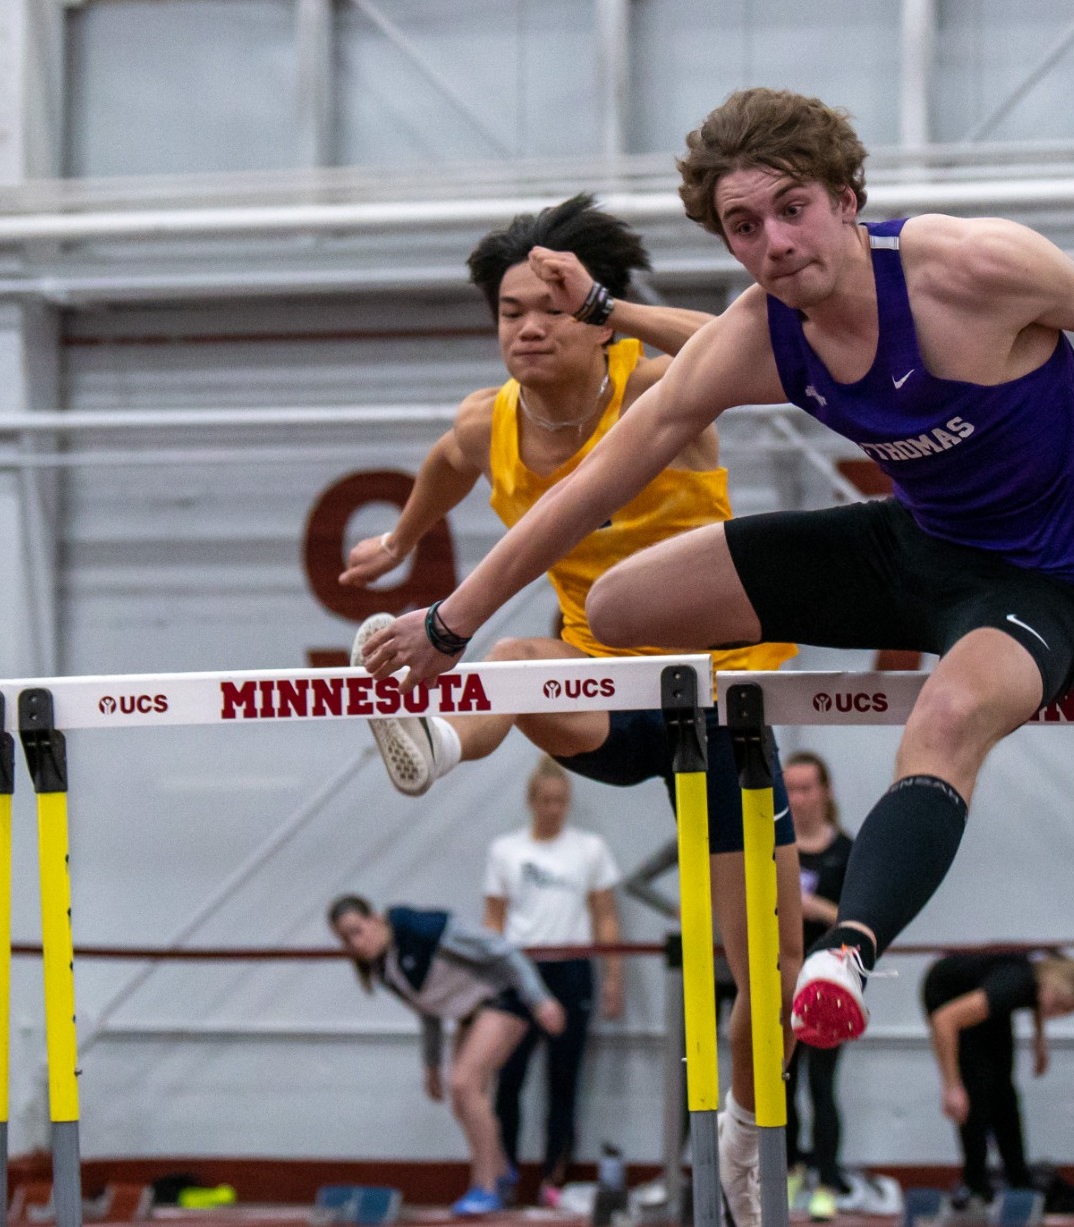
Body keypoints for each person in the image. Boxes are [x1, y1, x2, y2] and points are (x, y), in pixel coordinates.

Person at [356, 91, 1074, 1225]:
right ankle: (661, 749)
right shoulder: (757, 331)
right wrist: (446, 623)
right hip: (912, 545)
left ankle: (844, 957)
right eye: (743, 228)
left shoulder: (968, 269)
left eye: (792, 211)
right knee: (632, 598)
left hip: (1042, 576)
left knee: (941, 727)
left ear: (847, 199)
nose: (774, 246)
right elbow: (599, 481)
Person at [339, 194, 803, 1227]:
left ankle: (738, 1122)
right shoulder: (485, 421)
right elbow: (446, 468)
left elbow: (770, 335)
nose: (527, 330)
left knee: (762, 986)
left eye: (549, 310)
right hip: (600, 698)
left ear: (594, 316)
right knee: (514, 655)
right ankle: (437, 743)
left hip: (718, 706)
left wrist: (618, 308)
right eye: (509, 312)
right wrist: (407, 542)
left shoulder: (662, 390)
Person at [327, 894, 567, 1216]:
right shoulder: (385, 970)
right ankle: (499, 1168)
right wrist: (430, 1064)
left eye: (358, 930)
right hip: (470, 1016)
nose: (356, 943)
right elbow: (429, 1010)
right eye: (346, 939)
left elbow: (503, 950)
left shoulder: (422, 928)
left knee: (463, 1084)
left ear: (375, 919)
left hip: (504, 999)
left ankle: (486, 1185)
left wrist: (540, 998)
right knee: (461, 1099)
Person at [482, 758, 625, 1205]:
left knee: (564, 1081)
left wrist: (613, 977)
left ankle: (554, 1181)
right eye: (545, 800)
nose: (552, 808)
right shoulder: (506, 851)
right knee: (509, 1078)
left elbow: (605, 914)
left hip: (572, 969)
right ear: (531, 802)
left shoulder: (589, 849)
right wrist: (488, 985)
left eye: (560, 801)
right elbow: (493, 921)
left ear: (568, 803)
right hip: (521, 971)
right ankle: (502, 1174)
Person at [922, 951, 1074, 1209]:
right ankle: (975, 1184)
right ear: (1054, 983)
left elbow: (1039, 1002)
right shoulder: (1013, 987)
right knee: (977, 1092)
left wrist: (1040, 1040)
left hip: (981, 997)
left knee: (1005, 1091)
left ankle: (1018, 1178)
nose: (1057, 1014)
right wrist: (951, 1086)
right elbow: (943, 1021)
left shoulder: (1038, 983)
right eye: (1059, 1005)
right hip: (947, 996)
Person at [783, 752, 855, 1219]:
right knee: (781, 1084)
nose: (800, 799)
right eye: (790, 789)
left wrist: (816, 908)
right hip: (780, 979)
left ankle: (828, 1179)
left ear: (825, 792)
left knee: (822, 1086)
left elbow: (859, 920)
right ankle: (787, 1170)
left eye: (808, 788)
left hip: (828, 979)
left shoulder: (847, 851)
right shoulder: (774, 848)